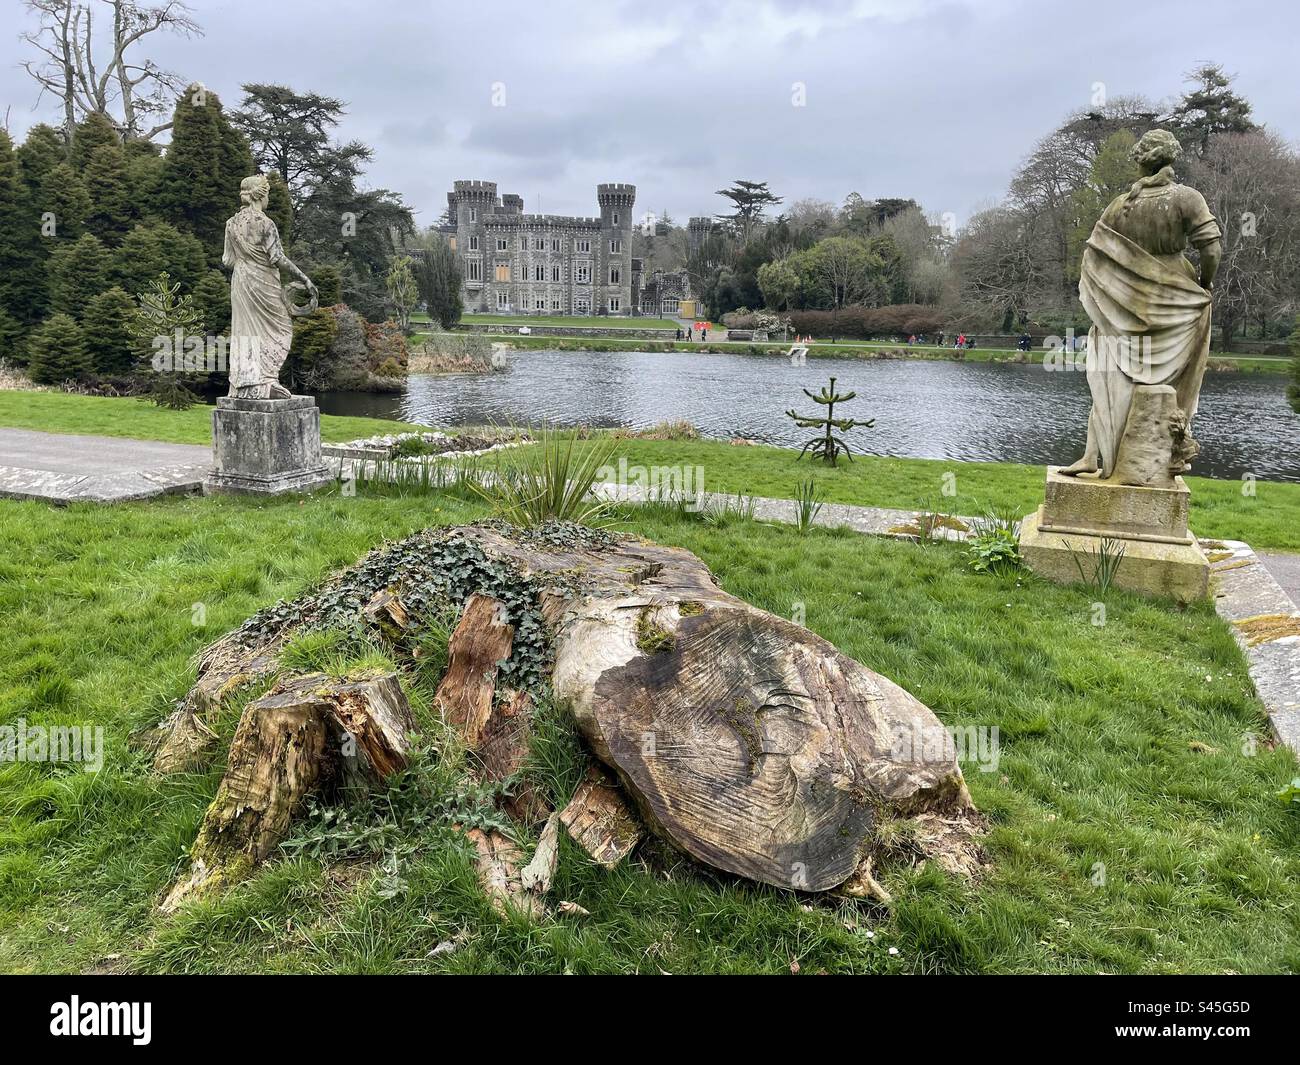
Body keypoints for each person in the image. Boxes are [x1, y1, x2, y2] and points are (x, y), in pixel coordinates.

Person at [1061, 128, 1222, 480]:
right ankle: (1157, 460)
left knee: (1108, 378)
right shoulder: (1187, 198)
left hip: (1123, 305)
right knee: (1170, 386)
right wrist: (1204, 286)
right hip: (1177, 299)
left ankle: (1093, 455)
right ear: (1171, 159)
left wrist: (1109, 295)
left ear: (1141, 162)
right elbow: (1210, 248)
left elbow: (1094, 256)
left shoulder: (1120, 204)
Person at [223, 174, 317, 399]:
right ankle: (265, 381)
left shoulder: (231, 223)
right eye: (268, 195)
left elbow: (227, 260)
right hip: (262, 281)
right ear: (261, 195)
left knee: (245, 331)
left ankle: (243, 385)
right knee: (281, 327)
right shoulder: (265, 223)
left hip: (241, 280)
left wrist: (245, 258)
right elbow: (278, 258)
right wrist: (305, 278)